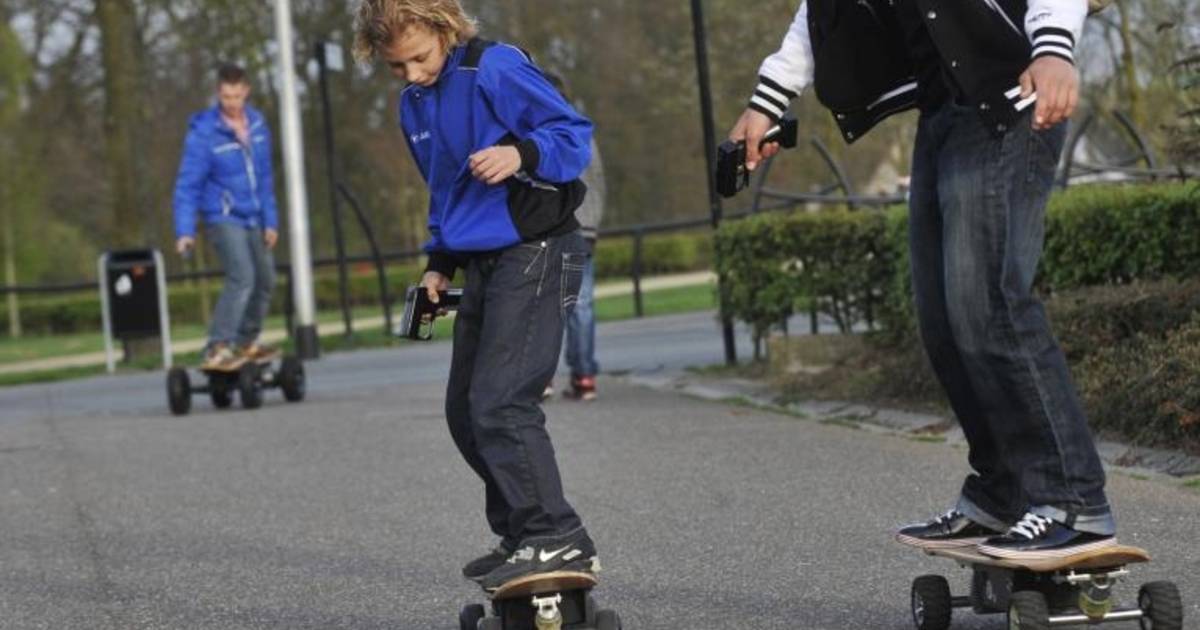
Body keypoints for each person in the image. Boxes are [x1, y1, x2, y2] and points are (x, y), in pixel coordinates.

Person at [730, 0, 1115, 560]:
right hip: (943, 113)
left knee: (992, 310)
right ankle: (1004, 494)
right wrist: (767, 103)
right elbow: (819, 14)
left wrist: (1055, 48)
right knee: (944, 324)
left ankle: (1073, 501)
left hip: (1010, 100)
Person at [352, 0, 600, 590]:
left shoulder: (494, 67)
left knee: (501, 401)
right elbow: (445, 191)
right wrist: (439, 264)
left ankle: (556, 535)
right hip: (483, 258)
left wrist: (521, 153)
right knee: (465, 410)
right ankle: (522, 533)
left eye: (419, 57)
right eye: (396, 66)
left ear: (444, 28)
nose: (412, 74)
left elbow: (573, 136)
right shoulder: (414, 103)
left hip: (538, 246)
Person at [173, 64, 280, 371]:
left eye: (236, 96)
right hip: (222, 216)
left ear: (246, 92)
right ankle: (217, 347)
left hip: (254, 215)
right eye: (225, 97)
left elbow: (265, 178)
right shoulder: (205, 133)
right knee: (242, 276)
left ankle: (246, 341)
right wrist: (184, 230)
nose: (231, 103)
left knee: (266, 279)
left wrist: (271, 221)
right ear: (218, 94)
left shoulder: (257, 126)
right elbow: (187, 184)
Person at [545, 73, 606, 402]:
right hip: (582, 230)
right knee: (581, 305)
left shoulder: (535, 134)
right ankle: (584, 375)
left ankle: (542, 377)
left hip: (548, 230)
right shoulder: (582, 133)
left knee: (542, 305)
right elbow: (597, 182)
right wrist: (592, 226)